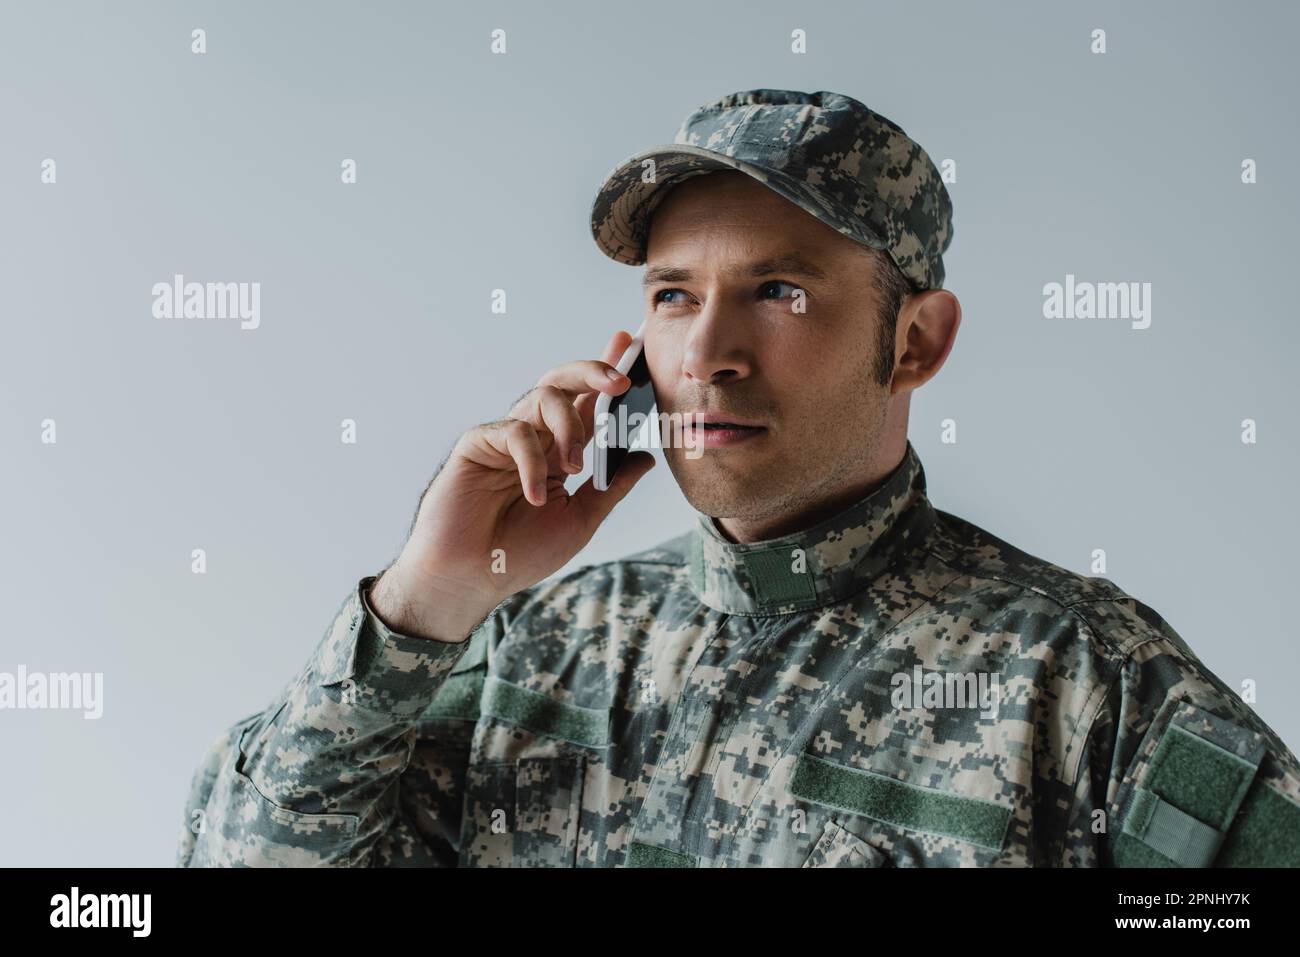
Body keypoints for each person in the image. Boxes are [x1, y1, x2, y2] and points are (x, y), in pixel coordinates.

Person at [178, 89, 1300, 868]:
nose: (706, 352)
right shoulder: (532, 653)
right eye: (673, 294)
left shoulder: (1084, 682)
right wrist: (424, 605)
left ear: (915, 342)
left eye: (780, 291)